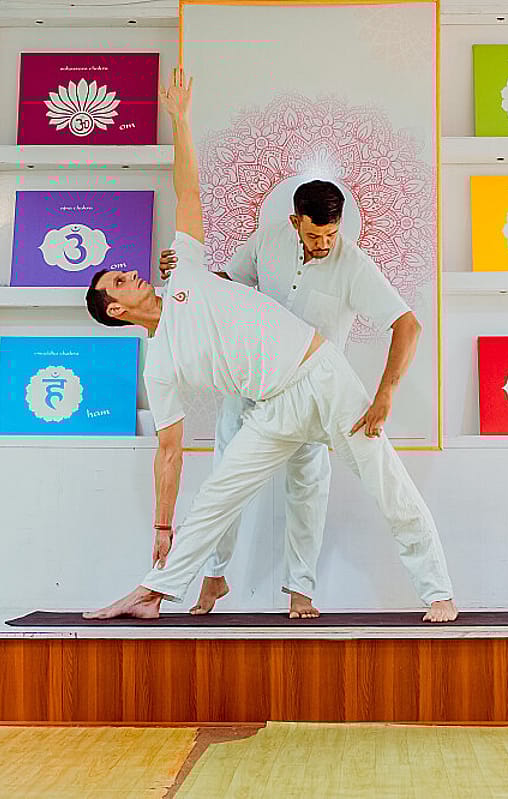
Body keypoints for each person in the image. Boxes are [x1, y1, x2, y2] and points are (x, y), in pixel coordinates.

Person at [83, 68, 457, 623]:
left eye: (121, 271)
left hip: (323, 378)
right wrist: (162, 523)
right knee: (216, 496)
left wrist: (180, 120)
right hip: (273, 406)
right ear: (115, 312)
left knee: (385, 480)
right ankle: (154, 592)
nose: (125, 274)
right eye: (115, 283)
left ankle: (438, 592)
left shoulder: (186, 271)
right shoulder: (160, 362)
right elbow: (167, 451)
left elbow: (188, 190)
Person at [159, 183, 418, 620]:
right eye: (315, 236)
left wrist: (385, 393)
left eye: (331, 235)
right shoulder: (266, 240)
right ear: (296, 221)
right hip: (249, 382)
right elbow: (222, 286)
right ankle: (213, 576)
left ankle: (301, 591)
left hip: (312, 392)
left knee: (308, 490)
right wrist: (184, 275)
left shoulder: (352, 263)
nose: (324, 245)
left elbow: (407, 324)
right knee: (224, 482)